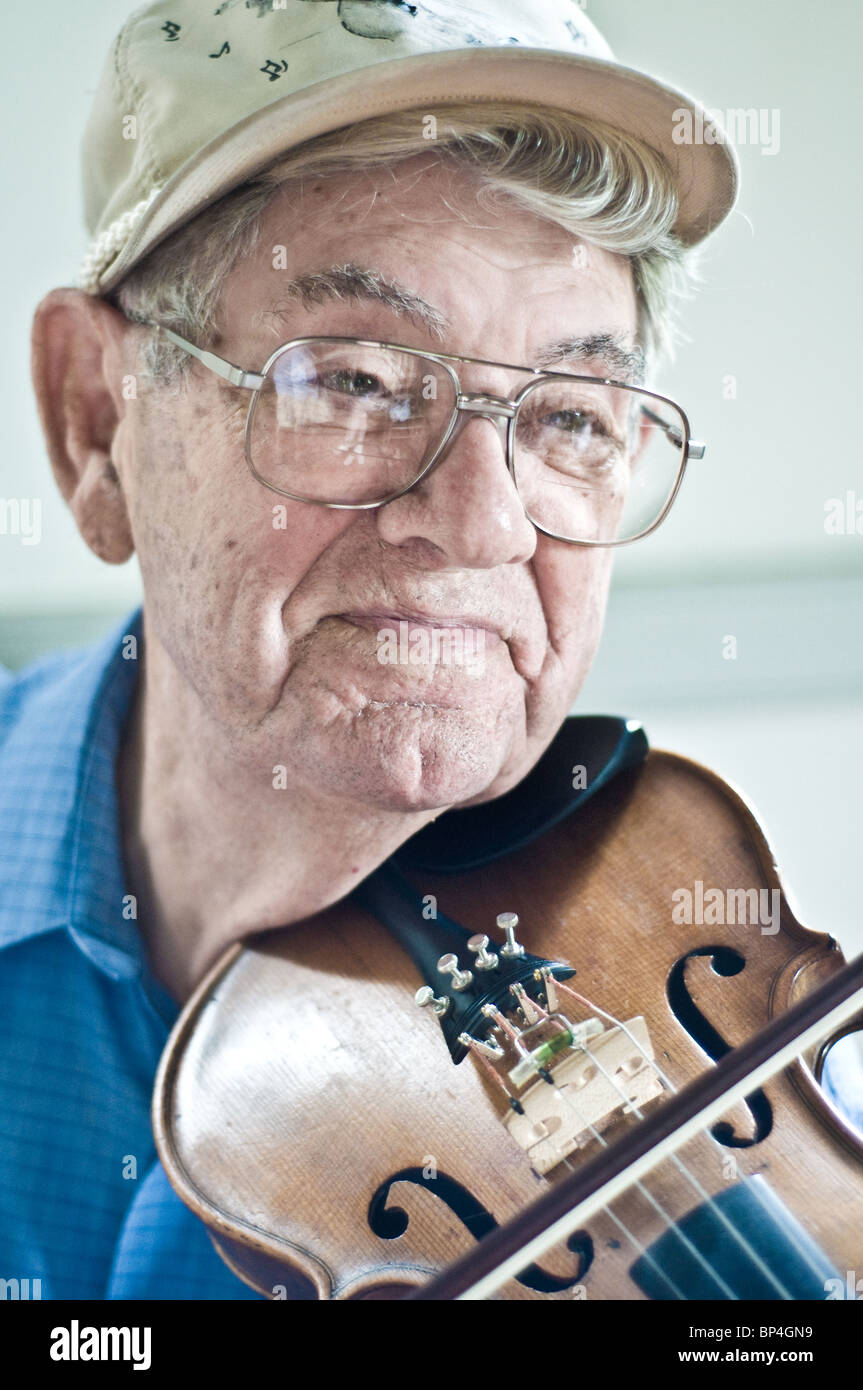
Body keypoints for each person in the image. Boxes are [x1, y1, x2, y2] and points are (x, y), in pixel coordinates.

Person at [3, 0, 815, 1302]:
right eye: (358, 382)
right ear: (98, 422)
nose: (484, 523)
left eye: (569, 417)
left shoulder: (754, 1066)